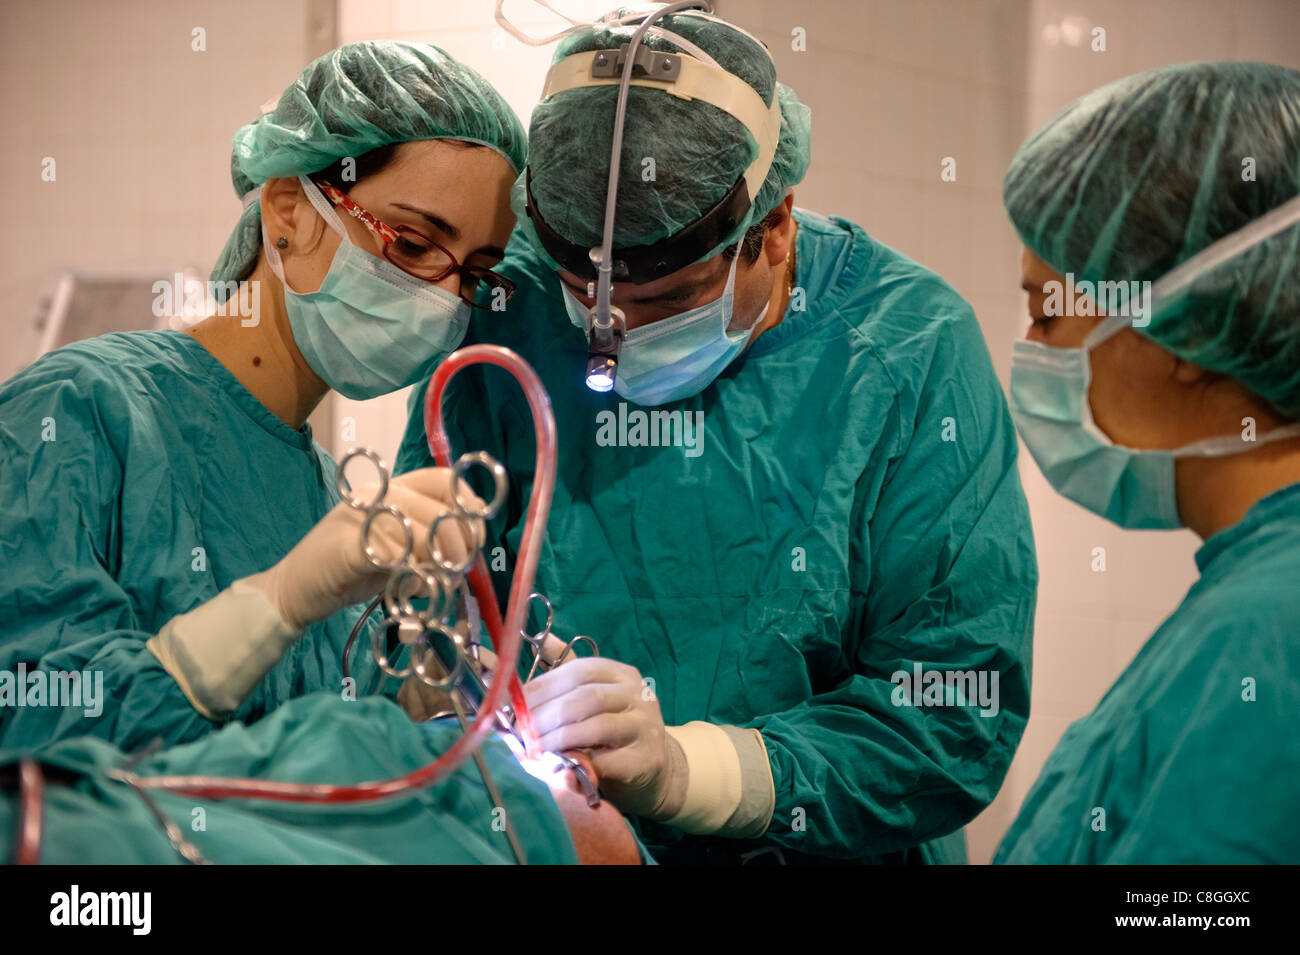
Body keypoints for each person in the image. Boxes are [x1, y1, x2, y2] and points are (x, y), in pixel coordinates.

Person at [397, 10, 1037, 864]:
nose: (608, 341)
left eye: (663, 303)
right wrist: (468, 690)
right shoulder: (509, 320)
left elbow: (953, 710)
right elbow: (423, 604)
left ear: (771, 231)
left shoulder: (905, 350)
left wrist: (685, 774)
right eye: (580, 299)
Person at [0, 41, 526, 752]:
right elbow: (31, 729)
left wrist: (409, 707)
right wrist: (276, 603)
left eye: (472, 275)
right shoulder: (79, 410)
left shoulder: (314, 495)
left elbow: (280, 770)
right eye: (411, 244)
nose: (441, 300)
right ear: (288, 210)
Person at [995, 61, 1300, 863]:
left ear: (1191, 322)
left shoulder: (1268, 630)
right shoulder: (1249, 591)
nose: (1033, 352)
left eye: (1046, 310)